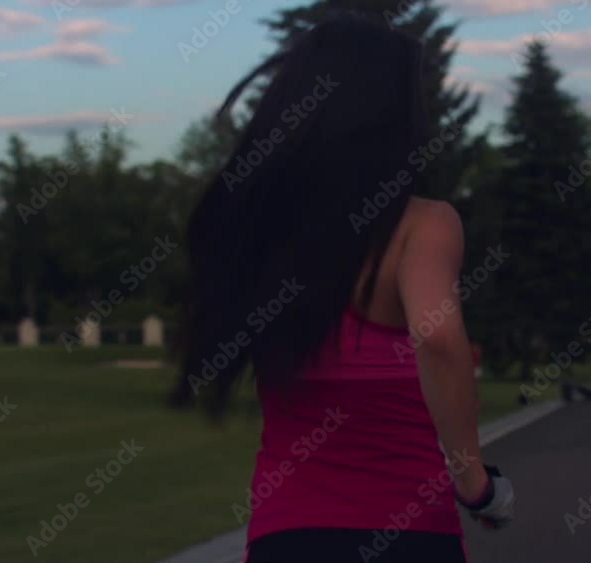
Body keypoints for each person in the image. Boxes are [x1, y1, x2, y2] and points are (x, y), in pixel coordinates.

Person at [169, 14, 514, 563]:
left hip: (288, 537)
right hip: (411, 535)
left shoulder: (265, 234)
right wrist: (474, 482)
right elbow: (440, 339)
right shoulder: (424, 225)